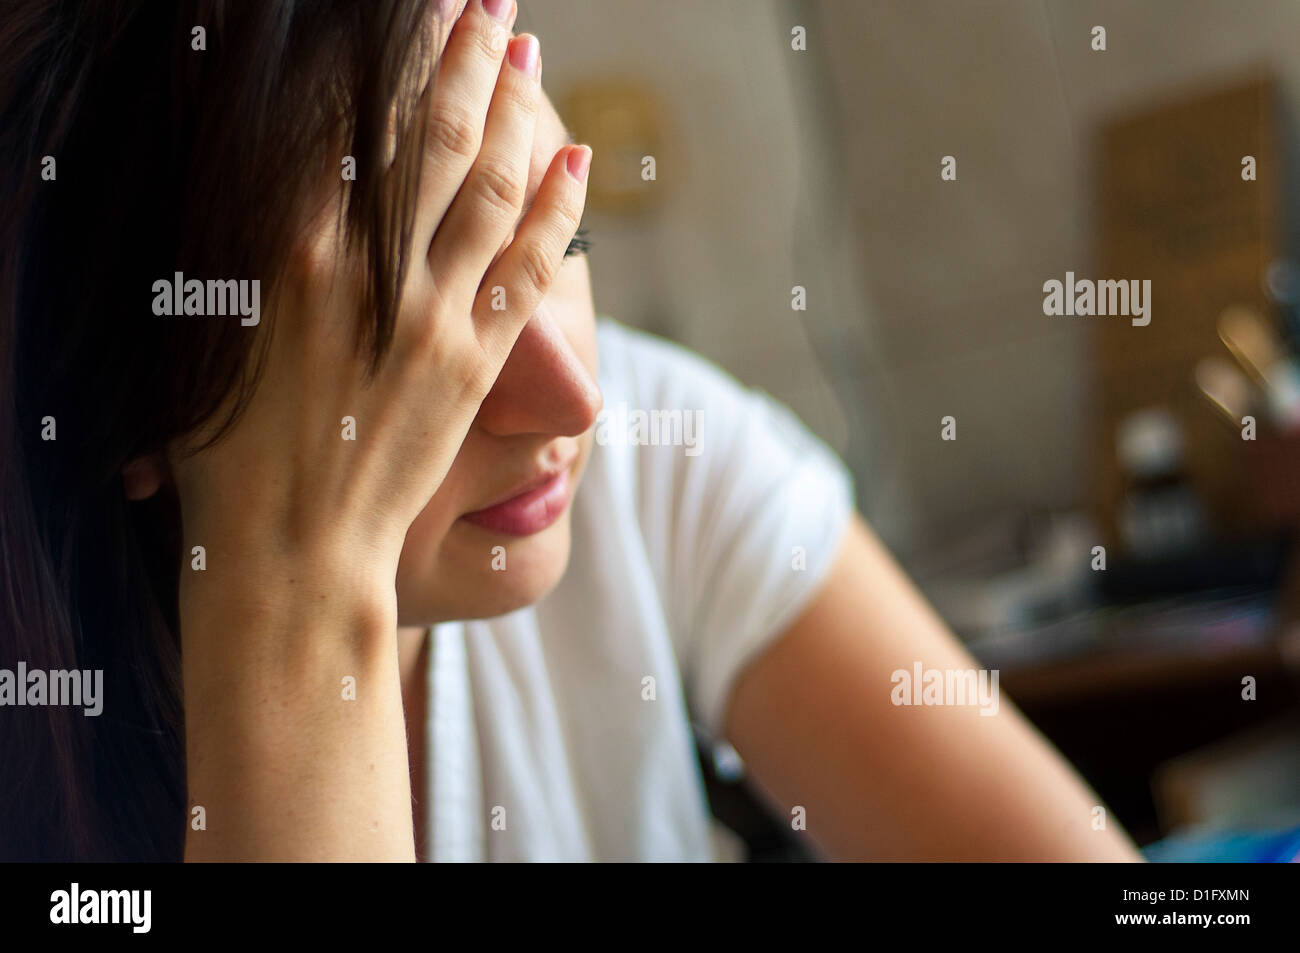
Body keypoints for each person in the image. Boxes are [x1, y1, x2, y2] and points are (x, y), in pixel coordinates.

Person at [0, 0, 1142, 862]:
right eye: (406, 332)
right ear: (131, 416)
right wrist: (296, 582)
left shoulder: (655, 449)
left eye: (564, 246)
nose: (573, 400)